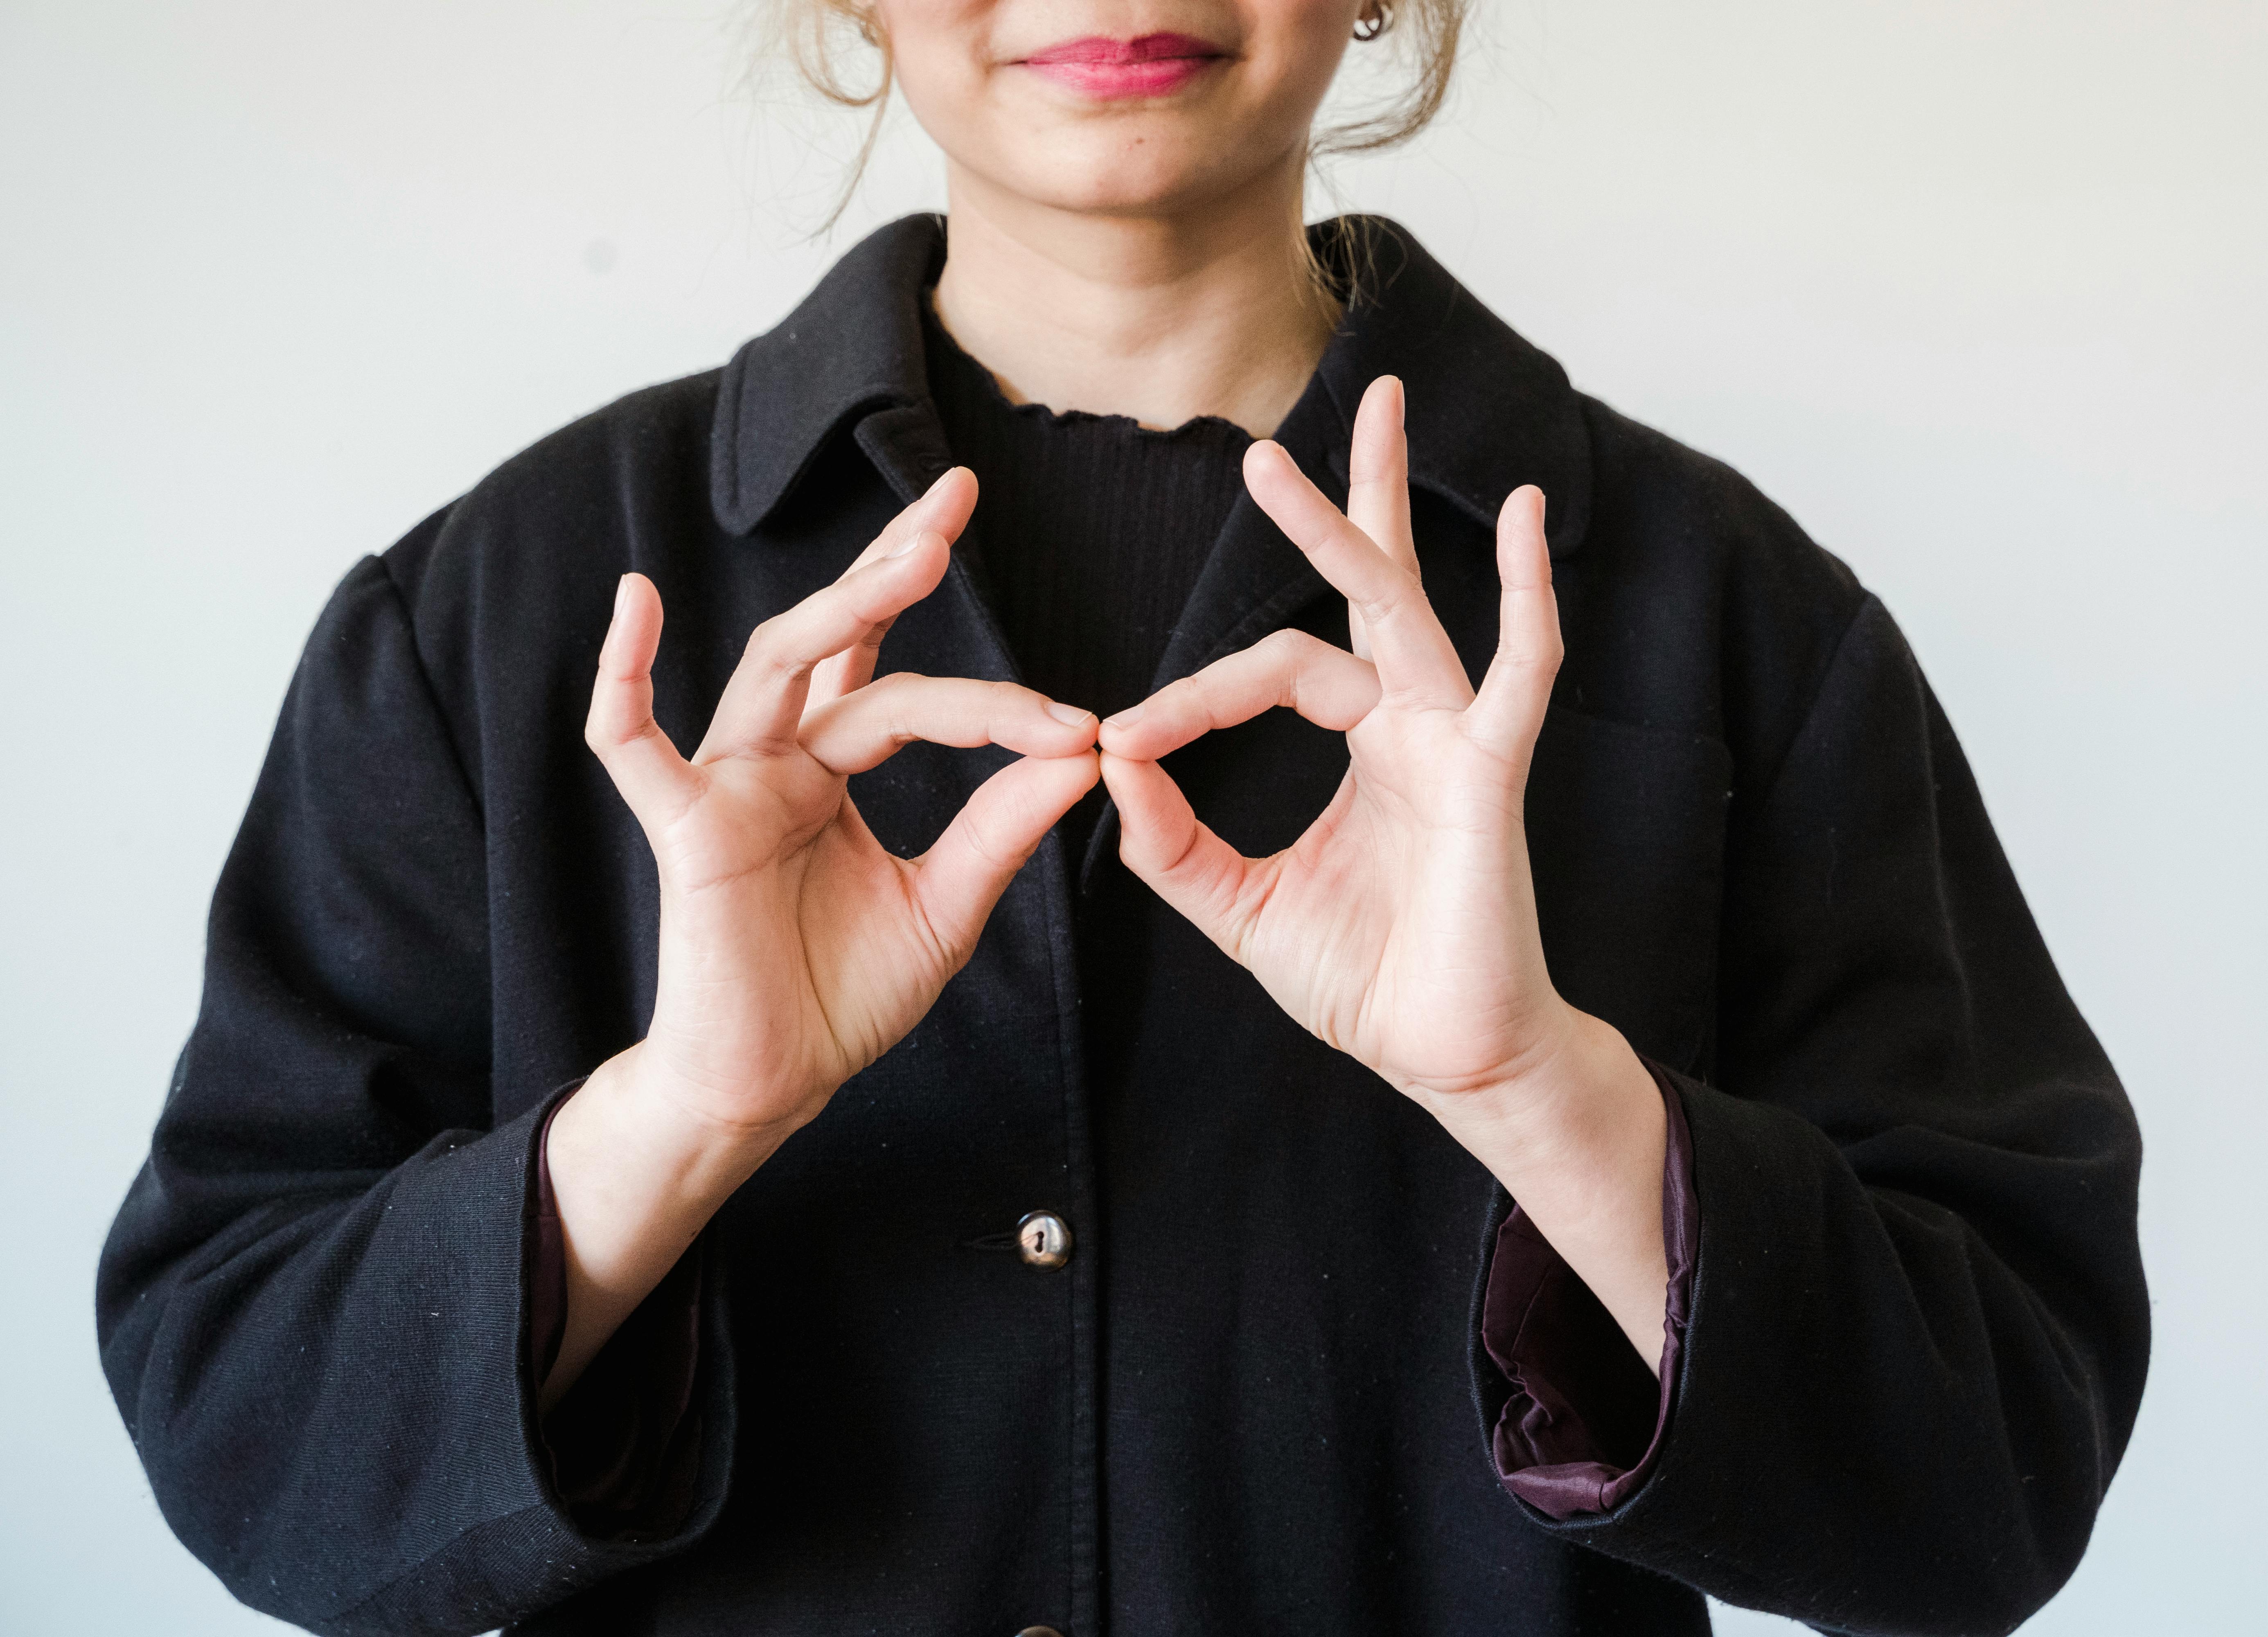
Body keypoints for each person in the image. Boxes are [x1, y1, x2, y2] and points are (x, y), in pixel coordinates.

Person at [97, 3, 2150, 1634]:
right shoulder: (501, 619)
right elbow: (246, 1432)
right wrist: (677, 1122)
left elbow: (1996, 1478)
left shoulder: (1732, 619)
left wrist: (1549, 1091)